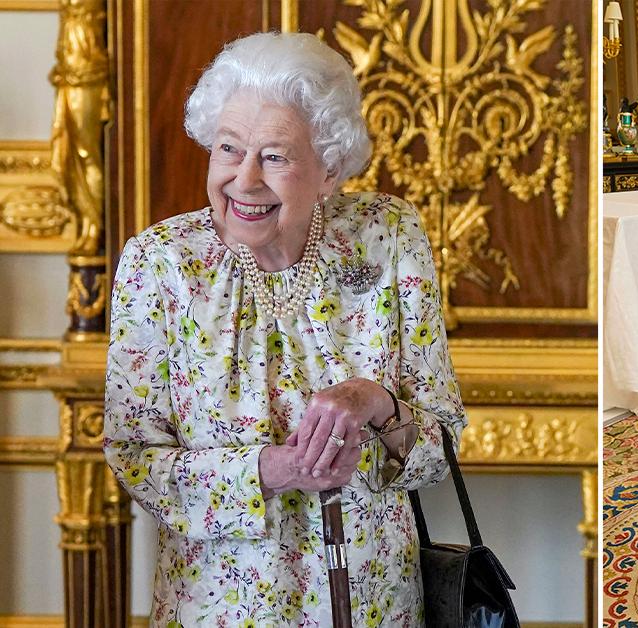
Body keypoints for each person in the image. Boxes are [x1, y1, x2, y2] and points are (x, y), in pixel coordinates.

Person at [103, 32, 466, 626]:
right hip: (220, 607)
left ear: (329, 169)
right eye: (228, 149)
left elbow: (441, 448)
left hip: (373, 604)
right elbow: (134, 459)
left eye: (274, 156)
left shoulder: (389, 238)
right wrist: (273, 470)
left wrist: (377, 404)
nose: (244, 180)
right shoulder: (161, 263)